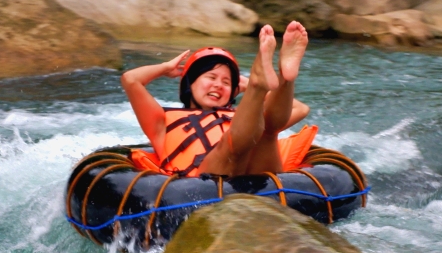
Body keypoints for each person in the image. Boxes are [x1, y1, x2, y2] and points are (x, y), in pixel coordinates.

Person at [119, 22, 312, 176]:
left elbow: (300, 109)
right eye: (211, 78)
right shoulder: (161, 121)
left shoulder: (245, 117)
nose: (218, 85)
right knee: (230, 145)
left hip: (259, 176)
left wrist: (243, 85)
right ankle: (259, 83)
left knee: (268, 130)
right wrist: (164, 68)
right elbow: (130, 80)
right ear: (190, 84)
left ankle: (285, 78)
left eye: (226, 82)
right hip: (202, 182)